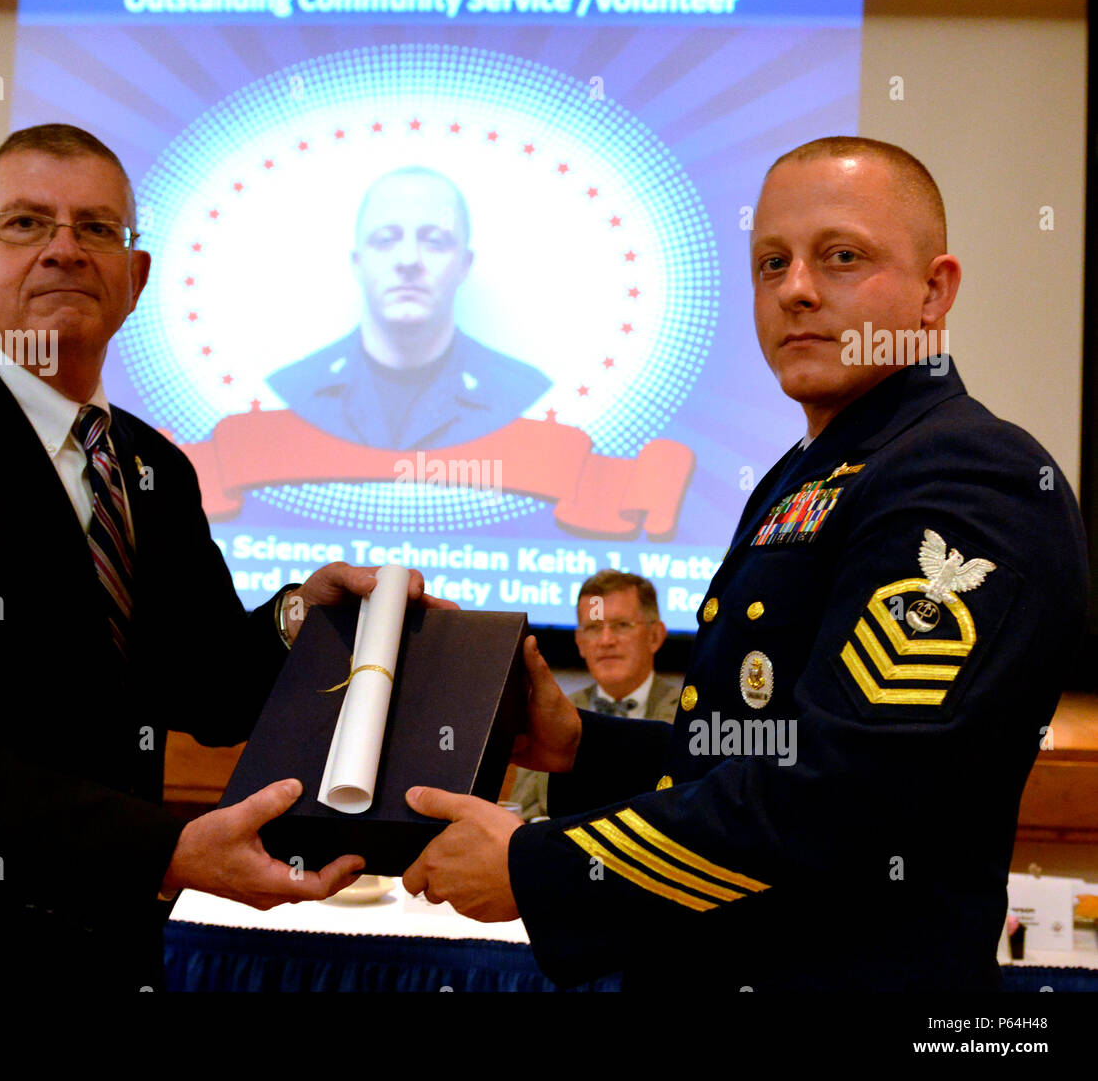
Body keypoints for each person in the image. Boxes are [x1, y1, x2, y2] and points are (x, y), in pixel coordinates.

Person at [399, 137, 1088, 990]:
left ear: (934, 292)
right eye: (771, 263)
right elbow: (758, 741)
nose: (796, 288)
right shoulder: (812, 474)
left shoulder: (971, 477)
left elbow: (838, 794)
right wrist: (584, 744)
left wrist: (544, 866)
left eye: (842, 257)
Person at [0, 124, 450, 992]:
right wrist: (165, 847)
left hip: (105, 961)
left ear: (135, 279)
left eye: (97, 228)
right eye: (27, 224)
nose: (65, 250)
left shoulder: (153, 469)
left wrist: (305, 618)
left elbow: (211, 688)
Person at [267, 166, 551, 449]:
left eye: (435, 241)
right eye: (386, 240)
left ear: (464, 265)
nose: (408, 259)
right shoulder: (285, 397)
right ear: (358, 263)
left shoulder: (528, 400)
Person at [510, 570, 679, 821]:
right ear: (579, 642)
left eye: (621, 625)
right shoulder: (549, 715)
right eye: (593, 628)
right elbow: (521, 811)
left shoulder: (690, 715)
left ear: (655, 636)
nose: (605, 640)